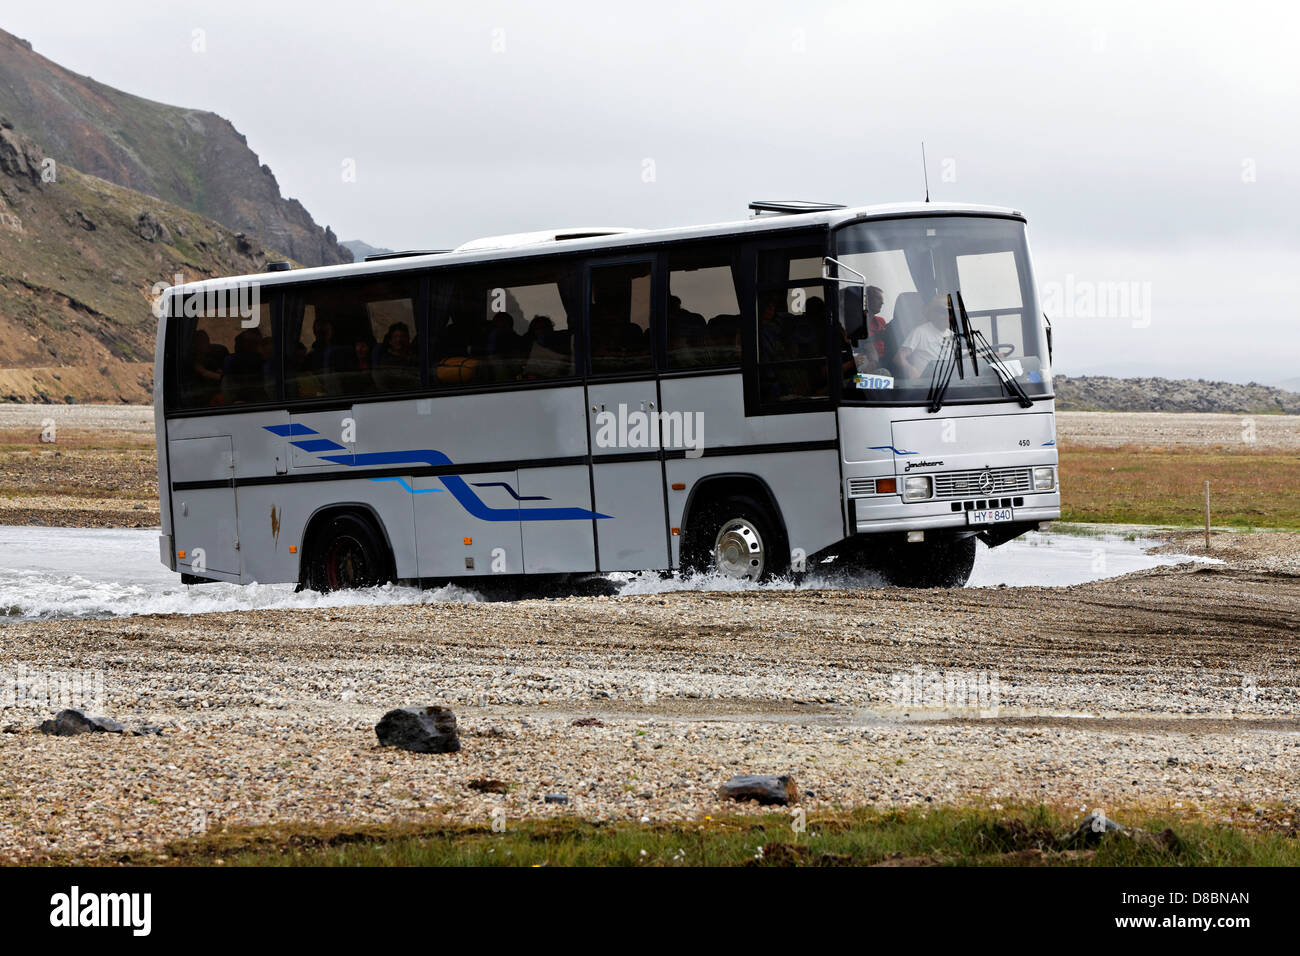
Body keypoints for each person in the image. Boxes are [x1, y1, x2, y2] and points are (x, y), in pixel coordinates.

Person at [894, 294, 953, 379]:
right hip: (926, 384)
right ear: (933, 314)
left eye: (949, 312)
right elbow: (899, 357)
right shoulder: (920, 332)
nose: (947, 316)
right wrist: (910, 369)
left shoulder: (952, 335)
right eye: (942, 312)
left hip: (949, 382)